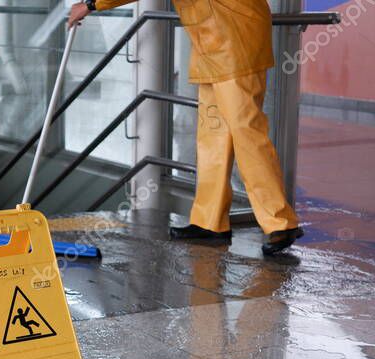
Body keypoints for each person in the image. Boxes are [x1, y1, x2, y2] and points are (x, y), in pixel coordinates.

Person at [68, 0, 304, 255]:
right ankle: (210, 221)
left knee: (247, 135)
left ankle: (281, 222)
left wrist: (91, 5)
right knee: (212, 137)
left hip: (234, 39)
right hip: (213, 41)